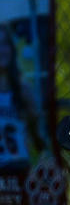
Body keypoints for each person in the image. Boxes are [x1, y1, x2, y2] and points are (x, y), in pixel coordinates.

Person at [0, 24, 44, 171]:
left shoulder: (22, 89)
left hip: (18, 167)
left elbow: (37, 134)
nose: (2, 50)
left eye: (5, 44)